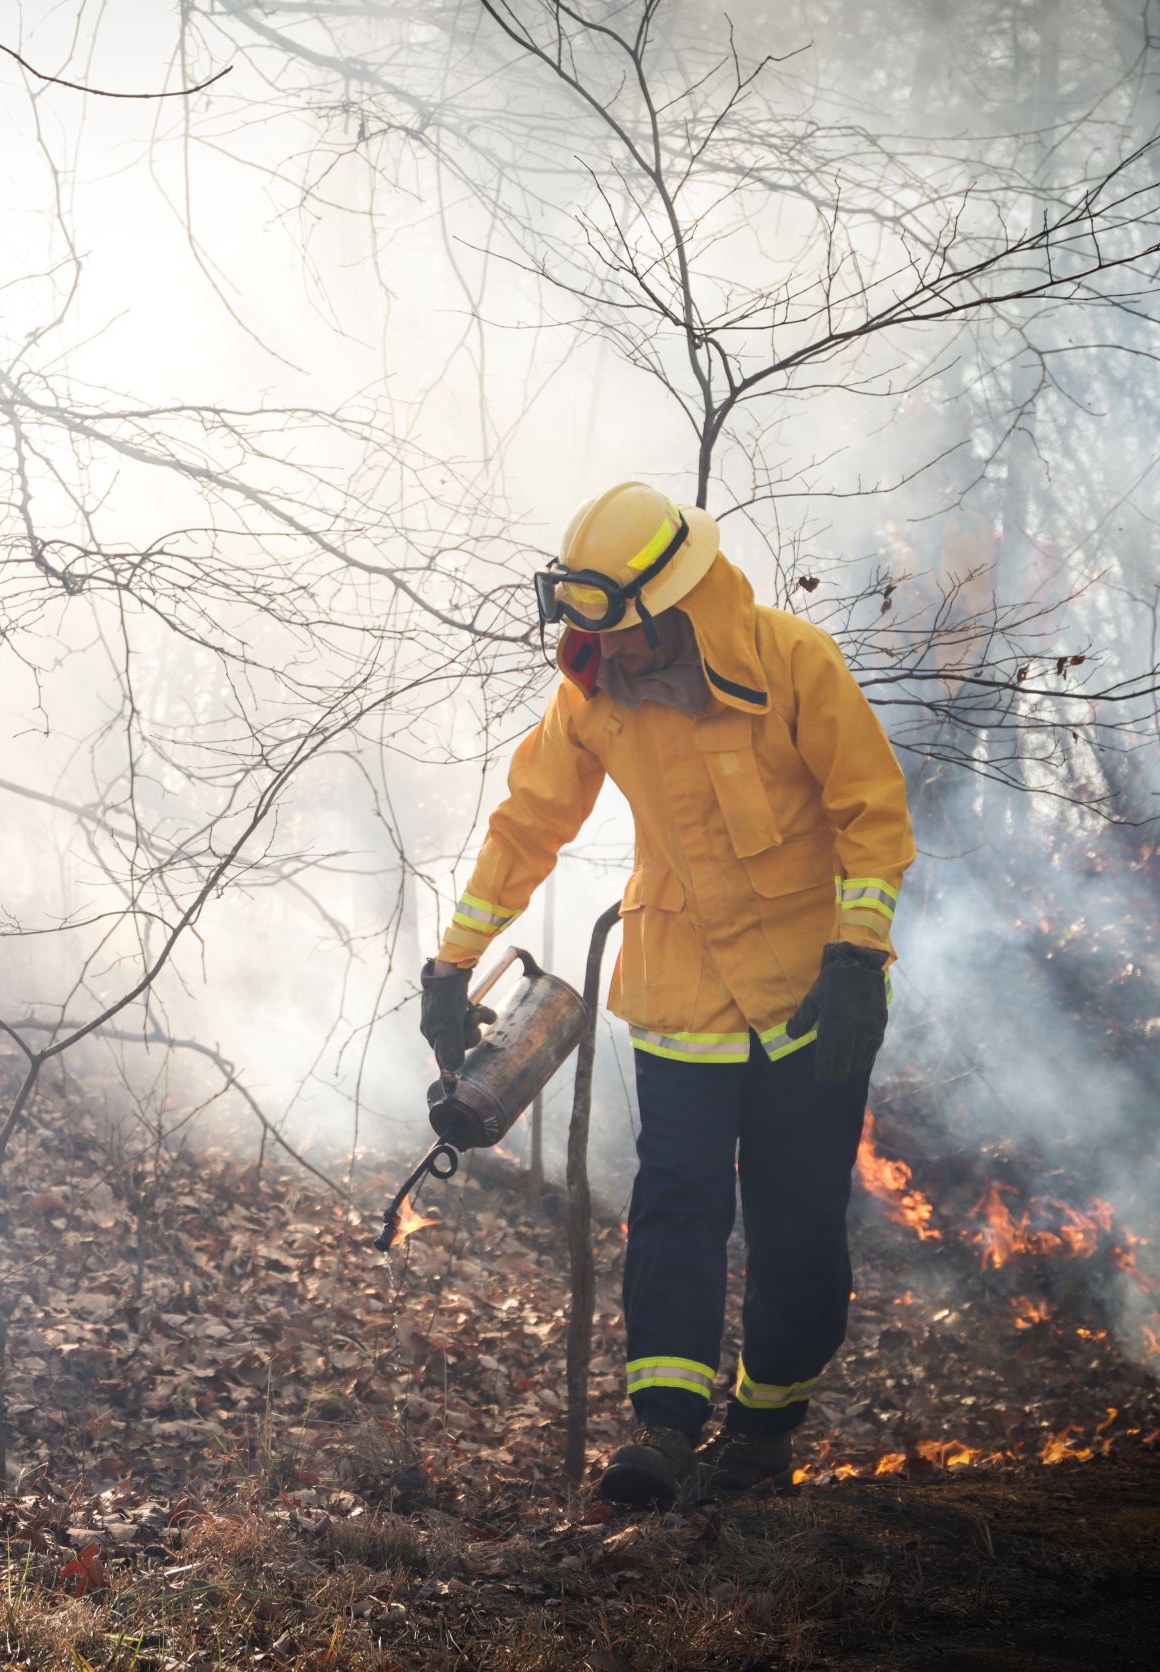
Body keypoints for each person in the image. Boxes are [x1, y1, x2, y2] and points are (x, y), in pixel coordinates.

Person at [422, 482, 915, 1506]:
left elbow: (872, 811)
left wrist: (860, 952)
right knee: (676, 1205)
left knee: (794, 1222)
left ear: (679, 604)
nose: (612, 655)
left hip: (810, 1000)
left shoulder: (792, 664)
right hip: (681, 988)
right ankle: (664, 1430)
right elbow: (528, 824)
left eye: (628, 633)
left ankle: (764, 1427)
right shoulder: (593, 693)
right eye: (588, 630)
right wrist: (452, 960)